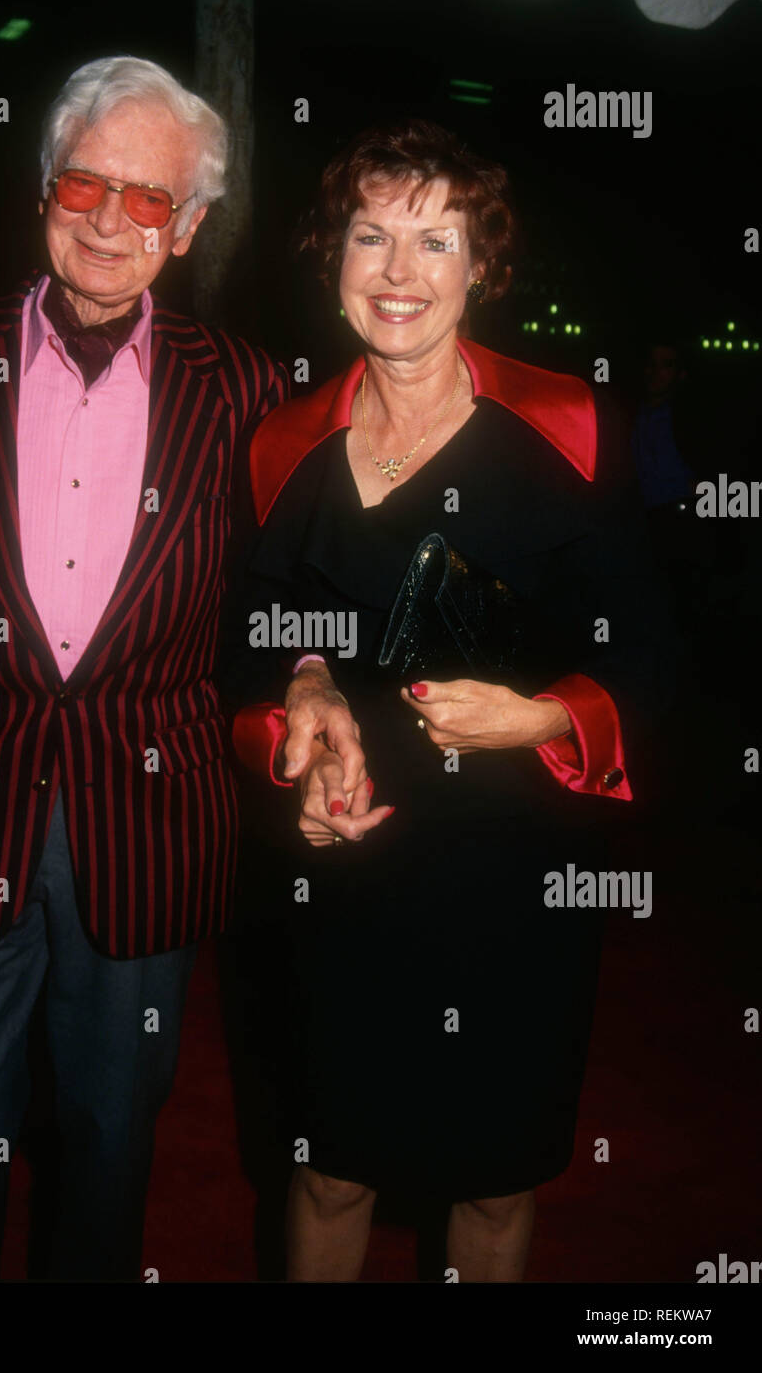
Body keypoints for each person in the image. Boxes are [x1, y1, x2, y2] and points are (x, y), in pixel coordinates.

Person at [0, 55, 290, 1282]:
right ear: (44, 186)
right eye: (85, 182)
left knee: (110, 1136)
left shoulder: (247, 392)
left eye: (148, 199)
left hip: (146, 822)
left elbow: (272, 612)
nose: (107, 218)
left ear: (189, 227)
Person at [230, 119, 666, 1281]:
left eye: (436, 240)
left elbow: (656, 660)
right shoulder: (283, 442)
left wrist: (536, 718)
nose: (397, 272)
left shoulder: (568, 428)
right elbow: (251, 639)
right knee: (331, 1168)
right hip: (348, 860)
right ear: (333, 259)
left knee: (494, 1180)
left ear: (483, 267)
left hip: (515, 872)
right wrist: (300, 712)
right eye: (370, 236)